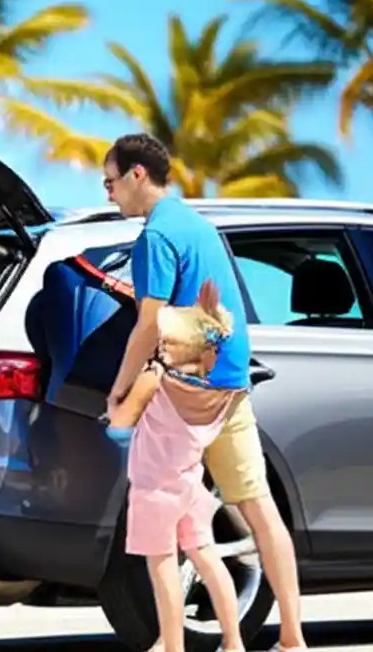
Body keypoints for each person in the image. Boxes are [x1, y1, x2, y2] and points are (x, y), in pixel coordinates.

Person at [102, 133, 308, 652]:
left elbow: (149, 326)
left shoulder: (155, 237)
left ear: (137, 175)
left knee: (170, 528)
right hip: (233, 383)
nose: (109, 194)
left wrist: (122, 388)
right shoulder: (199, 226)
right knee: (259, 509)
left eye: (111, 182)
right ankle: (291, 637)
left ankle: (171, 642)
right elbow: (200, 308)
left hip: (185, 394)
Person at [105, 279, 248, 652]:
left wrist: (115, 403)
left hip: (155, 490)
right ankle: (233, 642)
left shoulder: (154, 381)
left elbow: (120, 422)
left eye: (165, 341)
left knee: (163, 568)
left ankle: (173, 646)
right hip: (190, 485)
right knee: (207, 558)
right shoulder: (213, 390)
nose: (160, 346)